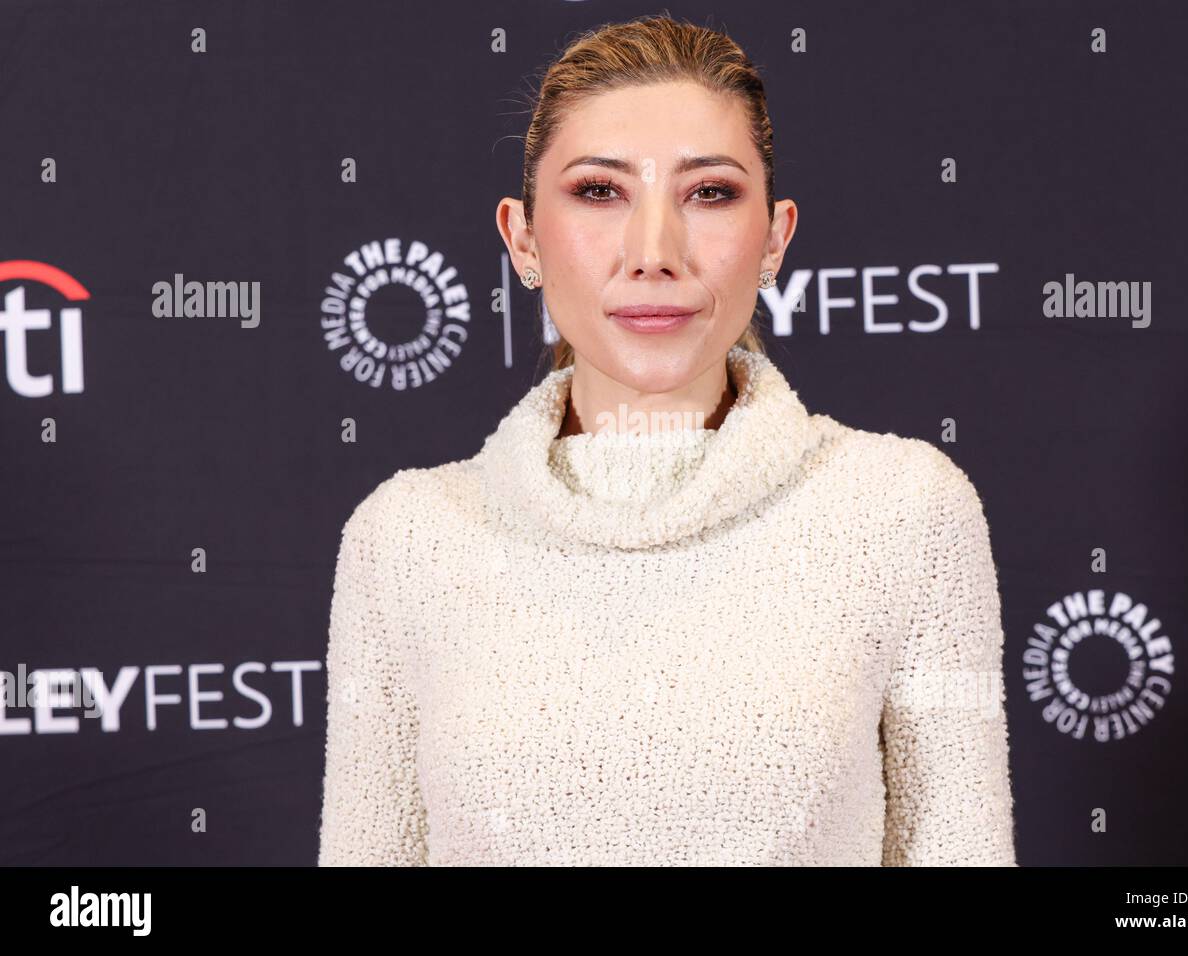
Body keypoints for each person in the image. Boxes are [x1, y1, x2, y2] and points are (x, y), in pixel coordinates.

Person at [318, 13, 1016, 866]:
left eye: (709, 193)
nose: (654, 252)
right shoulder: (407, 540)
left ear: (777, 236)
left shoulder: (904, 511)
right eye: (600, 192)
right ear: (523, 237)